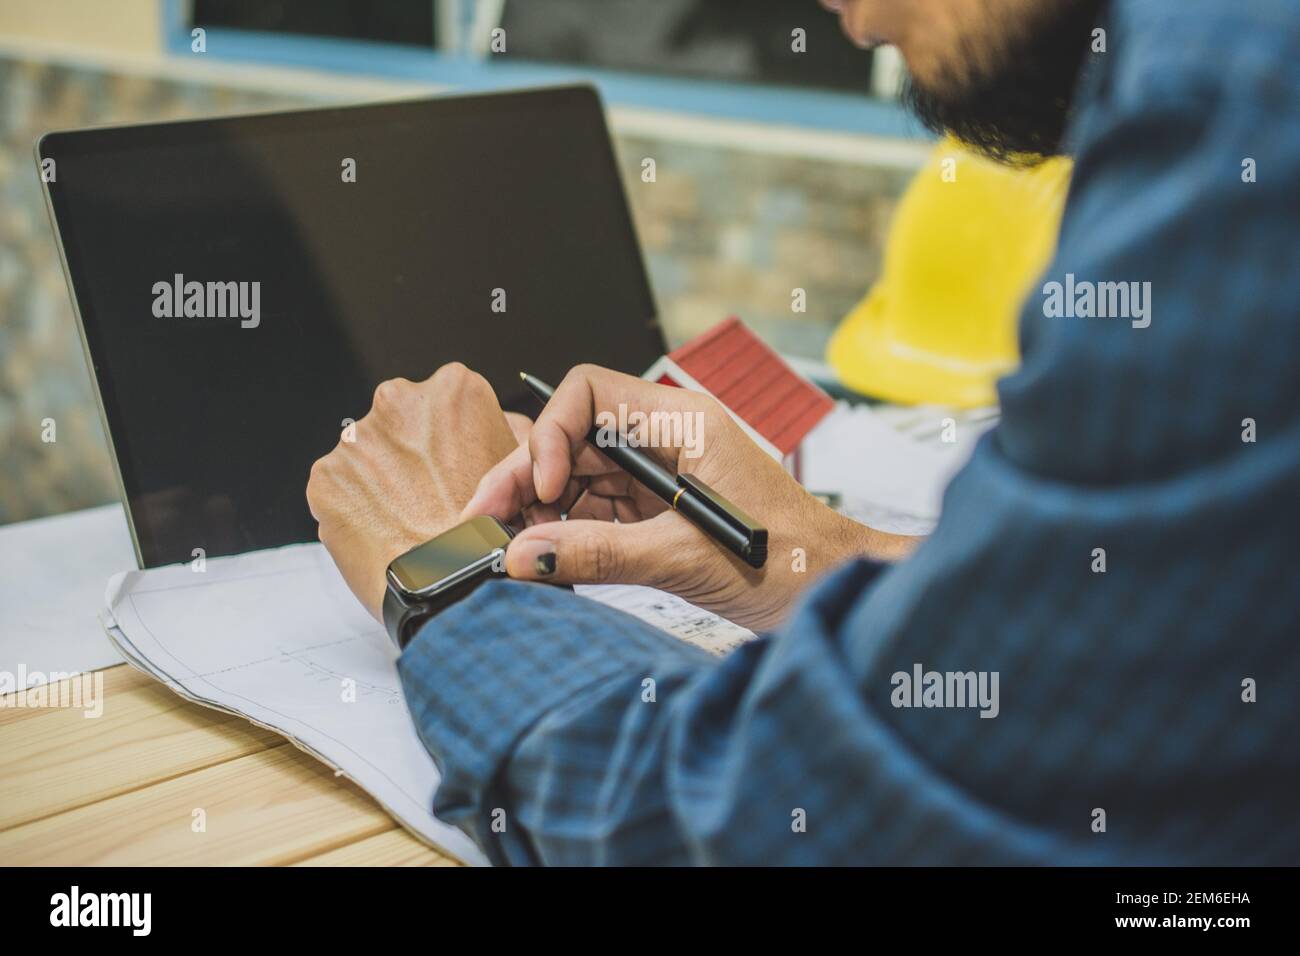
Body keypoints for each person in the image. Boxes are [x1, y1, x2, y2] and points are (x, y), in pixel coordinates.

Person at [305, 0, 1300, 865]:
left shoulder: (1229, 100)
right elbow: (1125, 620)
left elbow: (780, 824)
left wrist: (448, 577)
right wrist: (813, 551)